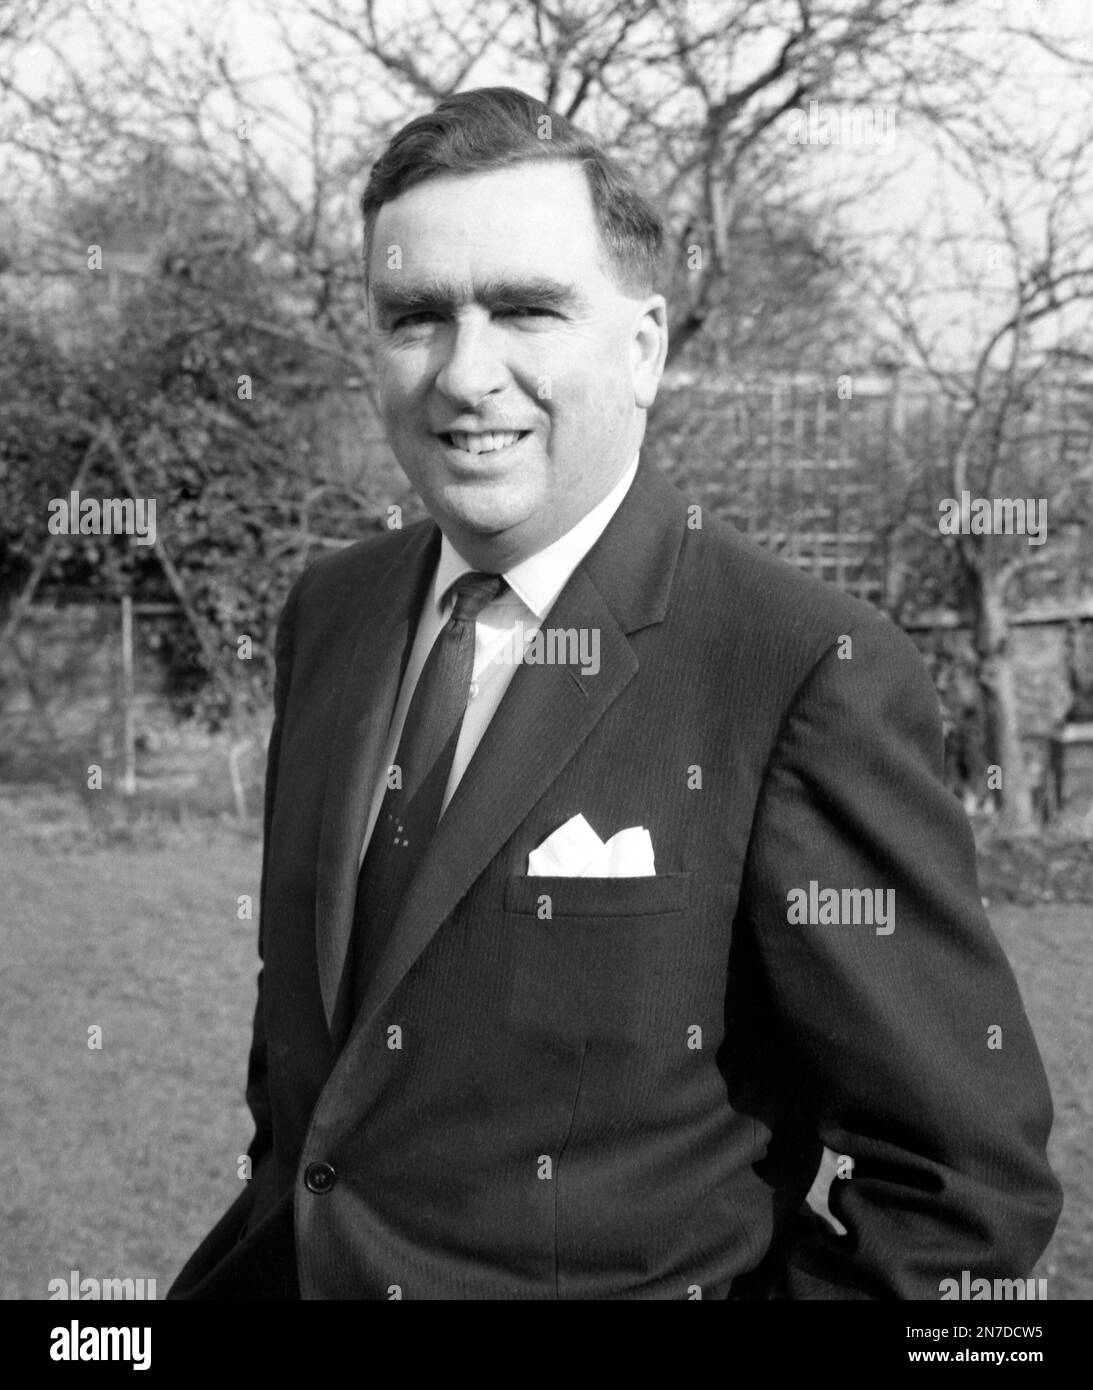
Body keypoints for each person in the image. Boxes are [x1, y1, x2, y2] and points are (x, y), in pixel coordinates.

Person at [168, 86, 1060, 1300]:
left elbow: (961, 1188)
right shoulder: (330, 613)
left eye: (526, 308)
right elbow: (314, 1083)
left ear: (641, 346)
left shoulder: (798, 666)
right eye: (416, 317)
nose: (464, 374)